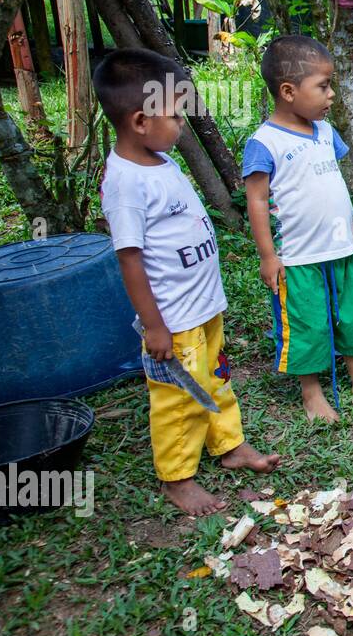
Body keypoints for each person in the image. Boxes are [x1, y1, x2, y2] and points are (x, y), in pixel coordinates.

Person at [97, 49, 280, 516]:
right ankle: (178, 478)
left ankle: (229, 444)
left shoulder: (161, 161)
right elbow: (130, 261)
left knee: (215, 380)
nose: (181, 123)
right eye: (175, 114)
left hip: (202, 307)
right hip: (172, 319)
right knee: (179, 397)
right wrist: (154, 326)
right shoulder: (125, 184)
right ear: (141, 121)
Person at [243, 35, 353, 422]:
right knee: (307, 322)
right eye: (323, 86)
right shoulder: (265, 142)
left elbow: (333, 185)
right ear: (288, 91)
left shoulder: (326, 133)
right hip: (298, 256)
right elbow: (257, 202)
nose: (331, 95)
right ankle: (311, 392)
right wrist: (268, 255)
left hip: (342, 247)